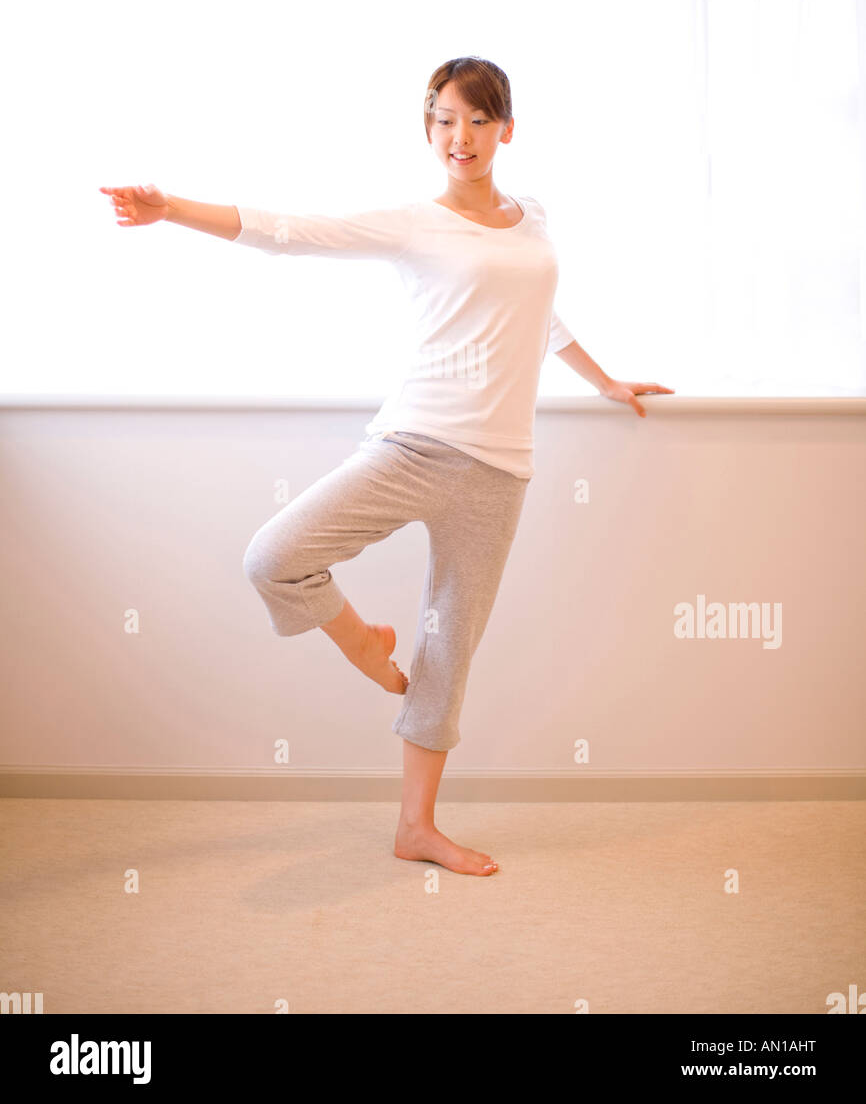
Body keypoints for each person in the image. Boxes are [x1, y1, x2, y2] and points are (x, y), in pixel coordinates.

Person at [99, 55, 674, 877]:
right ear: (428, 128)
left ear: (506, 128)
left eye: (477, 119)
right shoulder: (414, 222)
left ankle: (417, 828)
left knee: (448, 652)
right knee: (275, 555)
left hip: (499, 473)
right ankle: (361, 642)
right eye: (443, 118)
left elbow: (539, 311)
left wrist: (605, 378)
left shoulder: (532, 215)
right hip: (414, 445)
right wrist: (171, 210)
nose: (459, 135)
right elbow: (290, 233)